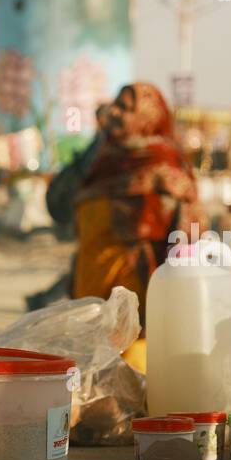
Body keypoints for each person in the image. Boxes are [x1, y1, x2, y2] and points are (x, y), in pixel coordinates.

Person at [70, 83, 200, 316]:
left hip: (134, 300)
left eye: (125, 107)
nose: (114, 112)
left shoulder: (164, 163)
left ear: (146, 117)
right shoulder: (104, 160)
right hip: (88, 293)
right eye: (115, 104)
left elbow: (186, 238)